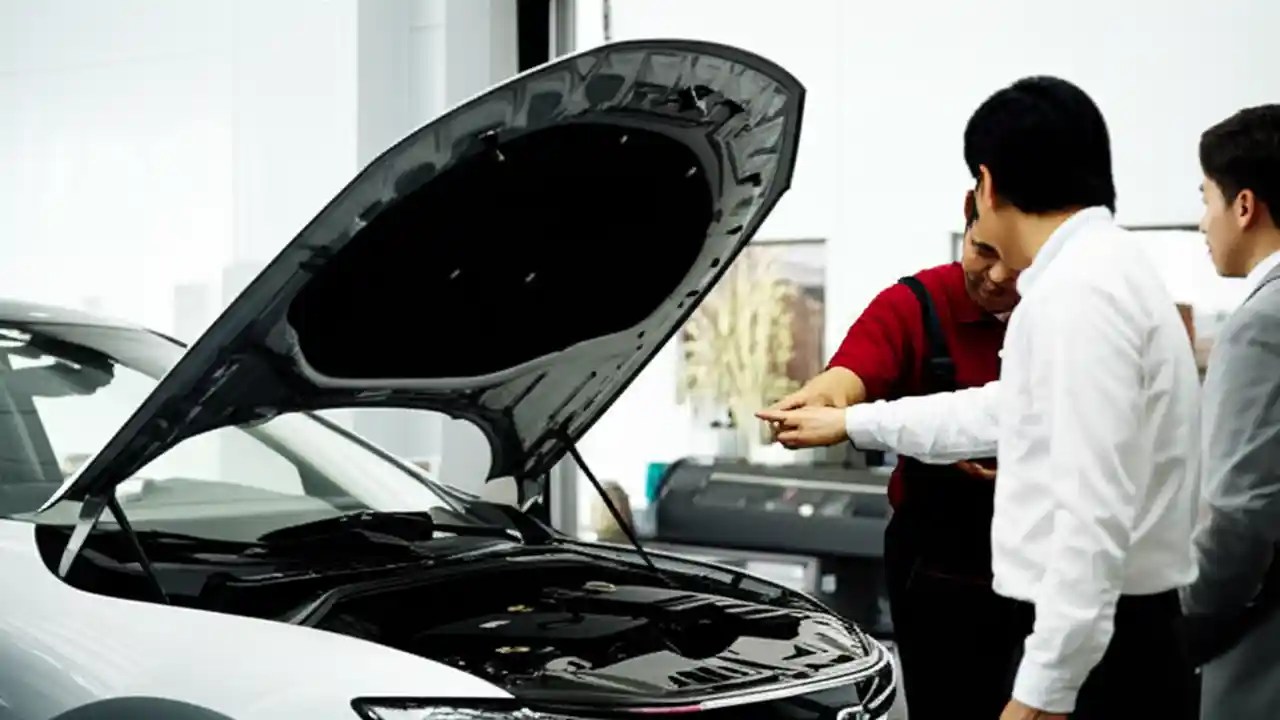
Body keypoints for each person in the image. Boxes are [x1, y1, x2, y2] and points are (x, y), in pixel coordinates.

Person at [759, 75, 1201, 720]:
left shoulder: (1076, 295)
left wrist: (1041, 693)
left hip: (1101, 650)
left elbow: (1090, 511)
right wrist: (852, 421)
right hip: (1116, 629)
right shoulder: (1111, 270)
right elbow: (1001, 409)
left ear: (986, 186)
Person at [760, 190, 1020, 720]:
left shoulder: (1064, 317)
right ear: (967, 214)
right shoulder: (914, 303)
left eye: (1016, 264)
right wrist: (823, 402)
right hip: (939, 568)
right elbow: (848, 377)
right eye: (983, 251)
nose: (995, 277)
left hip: (1046, 561)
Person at [1180, 104, 1280, 720]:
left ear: (1244, 206)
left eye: (1205, 199)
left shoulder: (1261, 325)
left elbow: (1240, 516)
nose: (1202, 222)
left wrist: (1182, 618)